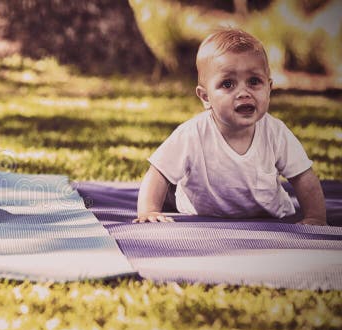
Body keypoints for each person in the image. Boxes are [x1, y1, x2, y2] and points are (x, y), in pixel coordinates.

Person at [134, 28, 326, 225]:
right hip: (202, 216)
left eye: (254, 81)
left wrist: (315, 217)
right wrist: (149, 210)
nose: (243, 92)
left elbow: (304, 176)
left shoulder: (275, 133)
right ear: (206, 97)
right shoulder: (192, 134)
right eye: (227, 84)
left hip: (267, 216)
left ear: (269, 88)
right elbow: (159, 172)